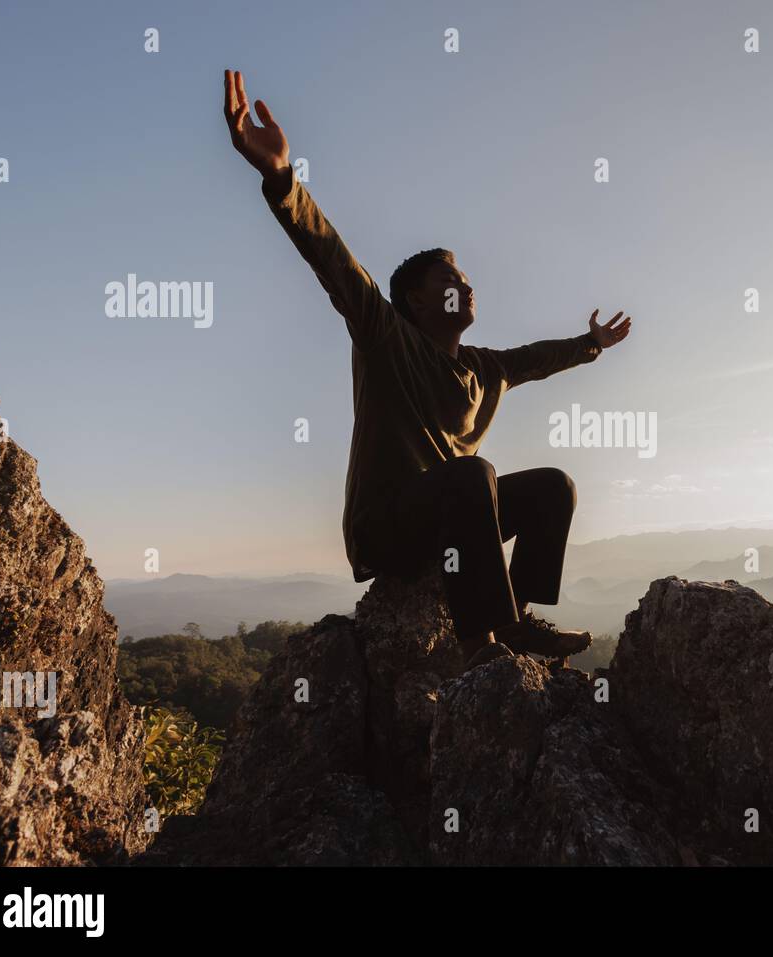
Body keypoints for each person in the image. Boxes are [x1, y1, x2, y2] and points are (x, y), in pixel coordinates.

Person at [223, 71, 631, 670]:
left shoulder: (482, 369)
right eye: (448, 281)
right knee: (473, 474)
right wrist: (282, 177)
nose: (465, 288)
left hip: (451, 524)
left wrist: (588, 344)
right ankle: (481, 649)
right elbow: (335, 261)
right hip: (389, 529)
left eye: (466, 281)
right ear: (414, 301)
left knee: (552, 487)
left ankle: (517, 620)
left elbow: (537, 360)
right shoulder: (386, 336)